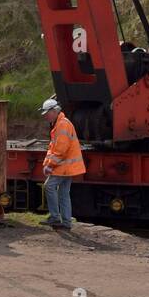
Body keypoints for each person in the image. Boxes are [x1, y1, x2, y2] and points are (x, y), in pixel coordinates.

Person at [38, 96, 85, 232]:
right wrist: (47, 162)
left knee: (49, 186)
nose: (45, 116)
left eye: (46, 114)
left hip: (64, 167)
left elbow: (60, 151)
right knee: (64, 193)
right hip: (67, 167)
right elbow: (53, 147)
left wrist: (49, 166)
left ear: (54, 111)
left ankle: (55, 217)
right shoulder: (60, 124)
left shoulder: (62, 125)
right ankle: (66, 222)